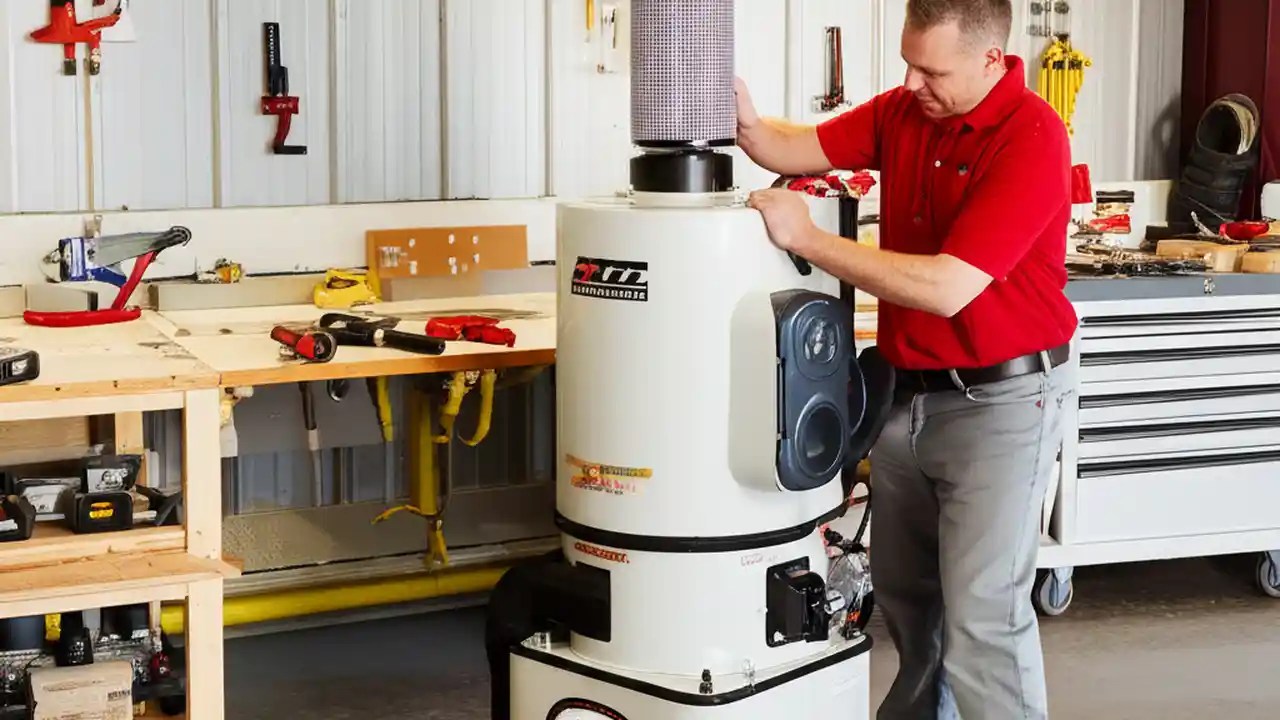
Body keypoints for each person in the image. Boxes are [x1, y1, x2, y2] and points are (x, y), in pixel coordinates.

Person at [737, 1, 1078, 718]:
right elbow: (783, 147)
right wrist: (738, 114)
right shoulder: (906, 111)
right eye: (908, 61)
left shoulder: (1032, 137)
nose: (913, 81)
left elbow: (949, 286)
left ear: (992, 60)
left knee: (984, 614)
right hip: (908, 399)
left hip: (1002, 406)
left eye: (933, 69)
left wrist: (809, 239)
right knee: (910, 602)